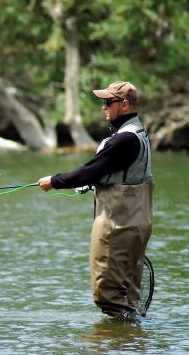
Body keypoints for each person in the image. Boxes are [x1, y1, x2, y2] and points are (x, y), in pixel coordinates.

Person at [38, 81, 153, 318]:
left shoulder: (124, 140)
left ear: (123, 105)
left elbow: (89, 171)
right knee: (124, 291)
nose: (103, 107)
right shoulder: (138, 133)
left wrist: (54, 181)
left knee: (107, 292)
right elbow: (110, 173)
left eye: (107, 102)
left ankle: (115, 343)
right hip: (135, 221)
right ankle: (127, 341)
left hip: (118, 223)